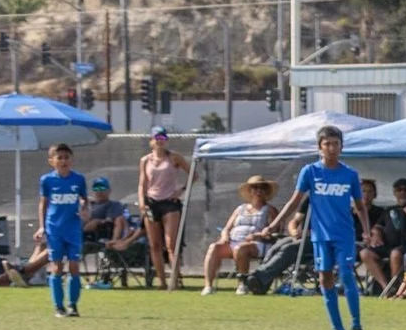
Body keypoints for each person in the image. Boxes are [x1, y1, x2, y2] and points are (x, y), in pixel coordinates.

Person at [262, 126, 376, 330]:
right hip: (321, 236)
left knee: (346, 274)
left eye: (336, 144)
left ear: (342, 147)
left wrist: (367, 232)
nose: (332, 148)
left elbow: (360, 206)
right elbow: (294, 202)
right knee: (324, 278)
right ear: (319, 147)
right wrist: (274, 224)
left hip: (344, 235)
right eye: (327, 144)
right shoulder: (310, 172)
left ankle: (356, 327)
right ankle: (337, 329)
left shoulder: (350, 174)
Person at [30, 144, 90, 317]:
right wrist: (42, 226)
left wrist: (85, 208)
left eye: (66, 157)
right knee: (56, 266)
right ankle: (58, 306)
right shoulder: (47, 180)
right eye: (59, 157)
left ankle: (73, 305)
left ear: (71, 160)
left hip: (73, 228)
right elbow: (43, 203)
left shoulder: (78, 179)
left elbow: (85, 199)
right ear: (52, 161)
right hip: (54, 228)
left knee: (74, 265)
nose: (63, 160)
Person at [137, 127, 191, 290]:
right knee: (154, 244)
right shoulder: (145, 160)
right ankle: (161, 281)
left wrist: (180, 191)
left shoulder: (174, 158)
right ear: (151, 141)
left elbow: (193, 175)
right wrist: (142, 201)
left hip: (169, 203)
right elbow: (142, 183)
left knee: (171, 244)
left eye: (163, 137)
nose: (160, 140)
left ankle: (175, 279)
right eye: (156, 137)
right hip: (151, 203)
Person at [204, 176, 276, 296]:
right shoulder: (240, 209)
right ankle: (208, 286)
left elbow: (274, 232)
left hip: (258, 243)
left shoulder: (270, 210)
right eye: (255, 187)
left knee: (241, 248)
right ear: (250, 190)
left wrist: (258, 235)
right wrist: (224, 236)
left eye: (262, 188)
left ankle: (242, 284)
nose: (258, 190)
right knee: (214, 247)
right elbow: (227, 227)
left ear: (266, 191)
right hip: (234, 241)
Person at [83, 177, 143, 282]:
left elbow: (111, 220)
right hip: (85, 234)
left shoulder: (113, 205)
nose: (99, 191)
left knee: (118, 219)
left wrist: (99, 221)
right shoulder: (89, 206)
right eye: (96, 189)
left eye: (102, 188)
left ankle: (116, 239)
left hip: (104, 233)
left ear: (109, 191)